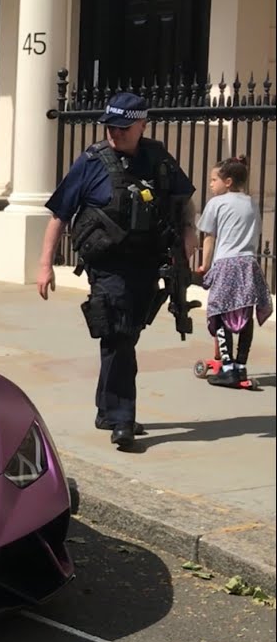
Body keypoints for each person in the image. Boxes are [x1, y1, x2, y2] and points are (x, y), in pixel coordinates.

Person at [36, 92, 196, 449]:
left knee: (123, 336)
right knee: (121, 333)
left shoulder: (157, 158)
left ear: (142, 124)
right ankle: (123, 419)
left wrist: (189, 233)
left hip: (146, 264)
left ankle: (107, 409)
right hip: (107, 265)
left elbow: (183, 199)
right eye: (110, 126)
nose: (115, 134)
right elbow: (60, 213)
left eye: (123, 127)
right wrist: (45, 264)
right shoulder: (92, 161)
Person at [195, 155, 273, 388]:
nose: (210, 184)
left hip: (226, 264)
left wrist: (204, 265)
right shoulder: (251, 203)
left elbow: (209, 237)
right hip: (248, 264)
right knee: (244, 314)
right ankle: (240, 366)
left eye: (213, 179)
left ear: (227, 181)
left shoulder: (217, 204)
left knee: (219, 313)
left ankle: (227, 368)